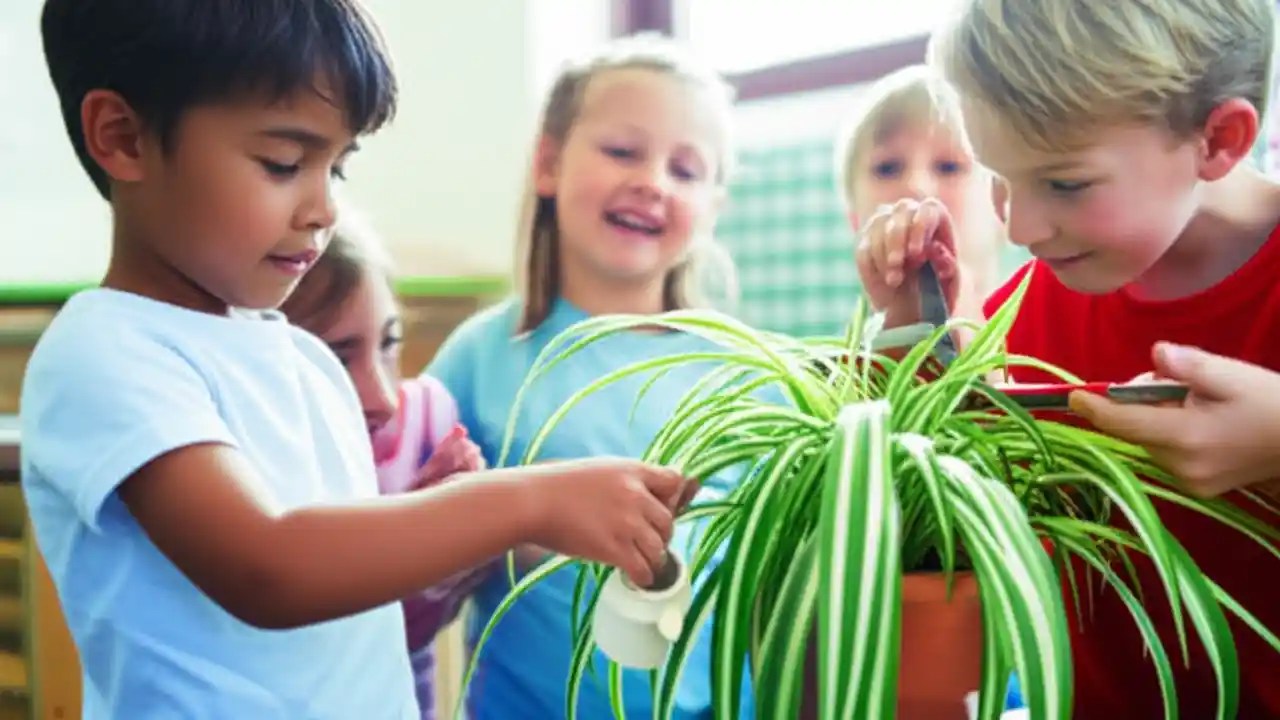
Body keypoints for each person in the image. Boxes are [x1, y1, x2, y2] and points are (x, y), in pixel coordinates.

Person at [20, 2, 694, 717]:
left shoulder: (305, 363)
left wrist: (421, 517)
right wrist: (523, 502)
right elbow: (266, 568)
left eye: (335, 168)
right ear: (122, 138)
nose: (324, 208)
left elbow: (335, 596)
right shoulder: (107, 351)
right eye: (283, 163)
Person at [856, 0, 1280, 715]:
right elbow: (944, 501)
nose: (1018, 225)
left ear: (1219, 140)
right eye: (998, 176)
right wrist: (913, 332)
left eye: (1064, 184)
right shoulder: (1027, 309)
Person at [426, 34, 756, 719]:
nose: (653, 181)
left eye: (687, 170)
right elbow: (410, 528)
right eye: (622, 151)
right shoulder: (481, 355)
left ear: (714, 207)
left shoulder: (746, 373)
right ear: (548, 162)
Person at [279, 213, 496, 719]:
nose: (383, 399)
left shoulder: (428, 420)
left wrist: (465, 524)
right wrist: (418, 538)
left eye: (390, 344)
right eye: (337, 357)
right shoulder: (252, 471)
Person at [840, 64, 1004, 320]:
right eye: (888, 168)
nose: (917, 187)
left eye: (949, 166)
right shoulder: (834, 361)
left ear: (1006, 209)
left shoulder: (1059, 346)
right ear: (854, 220)